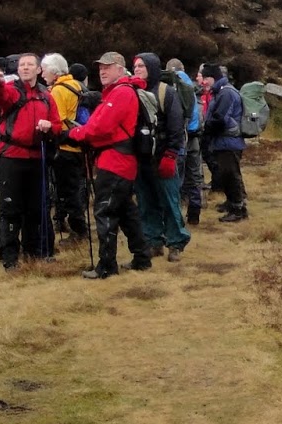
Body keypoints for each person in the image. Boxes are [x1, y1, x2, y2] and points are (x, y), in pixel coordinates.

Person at [68, 52, 152, 279]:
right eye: (100, 68)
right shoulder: (119, 92)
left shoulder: (121, 93)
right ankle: (142, 257)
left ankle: (106, 266)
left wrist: (74, 133)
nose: (102, 71)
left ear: (120, 69)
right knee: (125, 210)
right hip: (120, 160)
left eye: (108, 67)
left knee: (105, 211)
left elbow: (98, 127)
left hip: (115, 161)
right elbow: (99, 125)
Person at [0, 52, 61, 270]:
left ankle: (35, 252)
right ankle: (9, 257)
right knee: (10, 209)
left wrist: (49, 127)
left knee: (36, 208)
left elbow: (57, 125)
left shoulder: (47, 96)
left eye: (30, 65)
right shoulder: (12, 91)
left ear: (39, 70)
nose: (25, 68)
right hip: (11, 157)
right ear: (18, 70)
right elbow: (0, 95)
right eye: (22, 65)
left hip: (37, 157)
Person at [131, 53, 191, 260]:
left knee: (169, 201)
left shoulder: (167, 92)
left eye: (141, 66)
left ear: (152, 68)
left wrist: (171, 154)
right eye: (135, 66)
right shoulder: (133, 91)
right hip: (141, 157)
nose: (137, 69)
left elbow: (176, 126)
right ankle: (153, 241)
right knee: (146, 202)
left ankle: (176, 243)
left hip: (163, 156)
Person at [42, 53, 89, 240]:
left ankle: (79, 230)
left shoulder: (58, 91)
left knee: (68, 191)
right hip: (78, 146)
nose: (42, 73)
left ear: (54, 71)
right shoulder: (76, 84)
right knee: (75, 188)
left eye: (44, 69)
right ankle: (78, 227)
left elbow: (58, 120)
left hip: (65, 148)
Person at [199, 63, 247, 221]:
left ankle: (238, 210)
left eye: (206, 78)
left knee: (231, 174)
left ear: (213, 78)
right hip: (223, 141)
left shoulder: (225, 93)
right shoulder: (220, 91)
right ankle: (232, 203)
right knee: (226, 174)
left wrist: (206, 129)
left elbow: (220, 118)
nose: (203, 82)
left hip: (229, 142)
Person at [166, 58, 204, 226]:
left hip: (180, 137)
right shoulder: (192, 86)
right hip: (194, 136)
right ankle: (195, 213)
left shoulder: (172, 86)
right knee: (194, 176)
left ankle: (177, 218)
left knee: (178, 179)